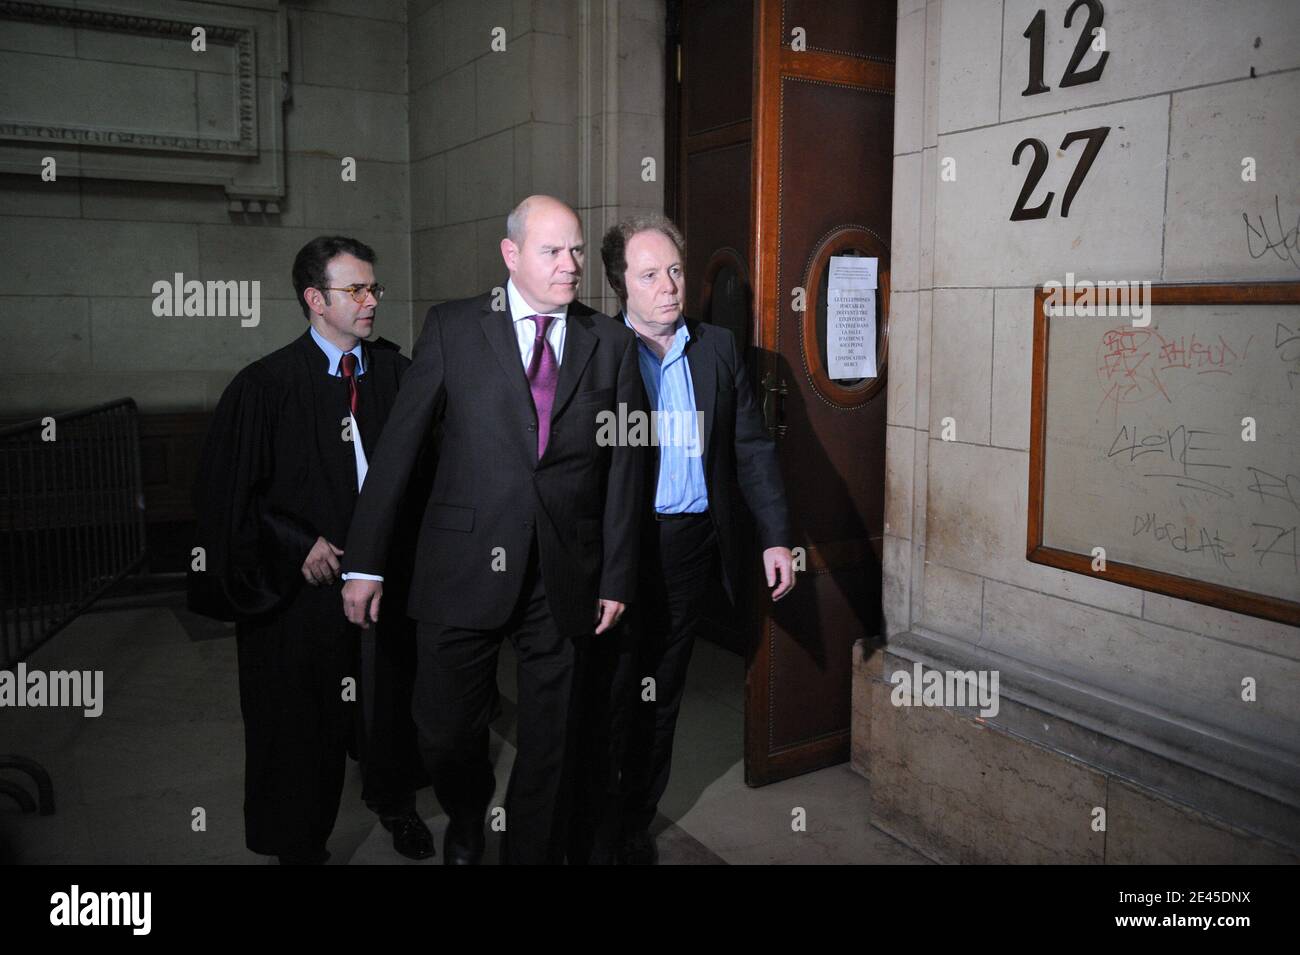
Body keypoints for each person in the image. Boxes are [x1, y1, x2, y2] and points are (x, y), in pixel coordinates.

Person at [340, 196, 646, 865]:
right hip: (461, 560)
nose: (571, 265)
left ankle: (528, 853)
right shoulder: (454, 327)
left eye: (575, 250)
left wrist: (617, 573)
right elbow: (399, 449)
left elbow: (624, 468)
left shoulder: (611, 342)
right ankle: (468, 812)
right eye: (552, 251)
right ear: (511, 255)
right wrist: (365, 561)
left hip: (566, 568)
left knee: (554, 735)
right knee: (445, 730)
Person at [189, 236, 433, 864]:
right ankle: (300, 844)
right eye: (355, 290)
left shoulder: (397, 374)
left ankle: (397, 806)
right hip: (301, 594)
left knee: (390, 705)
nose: (371, 299)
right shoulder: (265, 386)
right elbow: (230, 499)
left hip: (385, 581)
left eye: (373, 287)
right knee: (300, 722)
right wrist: (297, 543)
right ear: (315, 300)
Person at [577, 213, 796, 865]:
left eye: (675, 270)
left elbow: (751, 448)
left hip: (688, 549)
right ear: (622, 285)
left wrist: (775, 537)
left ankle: (635, 822)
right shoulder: (594, 351)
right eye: (650, 275)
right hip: (619, 552)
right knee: (609, 693)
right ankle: (595, 821)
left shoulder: (719, 349)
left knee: (660, 692)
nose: (669, 286)